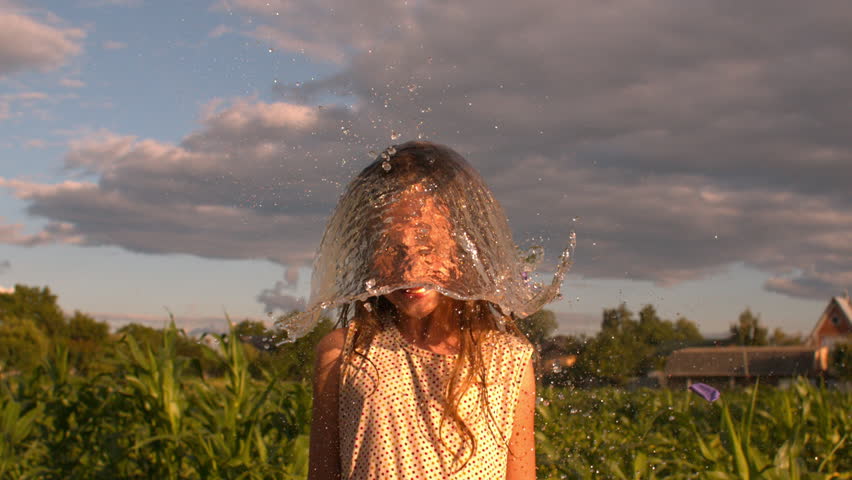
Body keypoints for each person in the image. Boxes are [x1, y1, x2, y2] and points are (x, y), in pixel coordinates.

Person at [300, 141, 572, 479]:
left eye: (428, 246)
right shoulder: (344, 355)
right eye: (390, 248)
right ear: (366, 253)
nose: (411, 269)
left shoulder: (508, 363)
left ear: (463, 250)